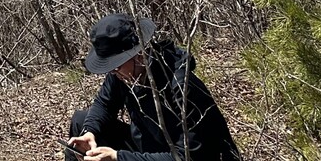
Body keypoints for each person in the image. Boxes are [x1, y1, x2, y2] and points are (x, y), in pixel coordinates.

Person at [65, 13, 242, 161]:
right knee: (81, 121)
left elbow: (190, 155)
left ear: (140, 55)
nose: (113, 72)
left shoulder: (181, 86)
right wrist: (90, 132)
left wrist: (119, 157)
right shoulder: (124, 74)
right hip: (148, 150)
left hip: (191, 156)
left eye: (116, 66)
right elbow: (103, 104)